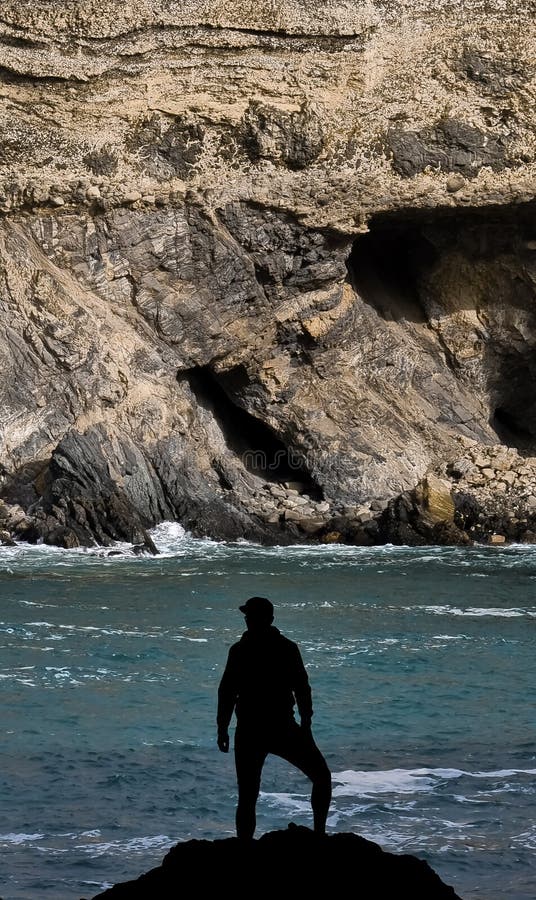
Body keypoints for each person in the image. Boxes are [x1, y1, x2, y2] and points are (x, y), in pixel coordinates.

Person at [217, 595, 332, 840]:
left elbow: (227, 691)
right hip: (279, 726)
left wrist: (223, 728)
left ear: (266, 619)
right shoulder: (286, 648)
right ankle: (319, 836)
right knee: (321, 776)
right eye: (247, 615)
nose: (247, 619)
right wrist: (307, 724)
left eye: (250, 615)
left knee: (247, 795)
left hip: (252, 728)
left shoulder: (240, 651)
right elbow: (302, 688)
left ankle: (245, 847)